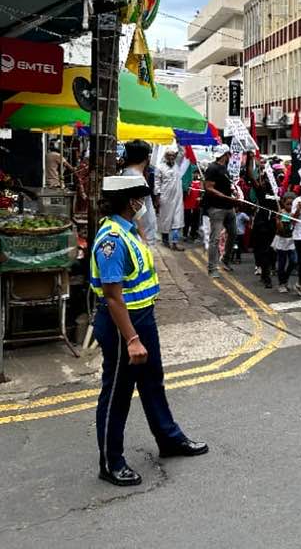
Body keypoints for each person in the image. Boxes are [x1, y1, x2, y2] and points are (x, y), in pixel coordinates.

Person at [90, 175, 207, 487]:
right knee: (118, 393)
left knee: (152, 381)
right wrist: (131, 339)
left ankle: (169, 439)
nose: (144, 202)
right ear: (130, 201)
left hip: (141, 318)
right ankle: (110, 461)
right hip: (122, 325)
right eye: (140, 197)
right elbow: (113, 297)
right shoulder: (111, 241)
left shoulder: (128, 230)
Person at [203, 145, 238, 278]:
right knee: (215, 239)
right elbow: (208, 187)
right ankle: (212, 268)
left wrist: (233, 192)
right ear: (225, 154)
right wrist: (224, 196)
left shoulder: (225, 168)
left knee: (233, 233)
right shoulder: (212, 168)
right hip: (216, 208)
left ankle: (226, 260)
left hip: (229, 207)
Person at [121, 140, 158, 244]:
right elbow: (136, 210)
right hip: (140, 236)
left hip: (141, 234)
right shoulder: (134, 177)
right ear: (145, 158)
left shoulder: (130, 173)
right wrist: (143, 238)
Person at [155, 148, 185, 250]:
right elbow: (157, 184)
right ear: (166, 156)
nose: (171, 157)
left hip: (177, 197)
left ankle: (175, 242)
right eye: (169, 155)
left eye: (173, 155)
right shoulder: (160, 167)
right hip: (166, 197)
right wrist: (157, 198)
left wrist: (179, 140)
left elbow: (182, 152)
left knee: (177, 220)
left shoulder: (177, 165)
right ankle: (165, 240)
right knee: (166, 219)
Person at [272, 193, 297, 293]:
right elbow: (280, 230)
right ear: (283, 203)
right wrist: (279, 220)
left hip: (291, 240)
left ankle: (285, 278)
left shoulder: (295, 213)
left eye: (292, 204)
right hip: (282, 240)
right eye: (288, 204)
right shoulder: (281, 213)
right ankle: (281, 283)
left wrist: (294, 217)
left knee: (294, 261)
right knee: (282, 262)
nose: (290, 206)